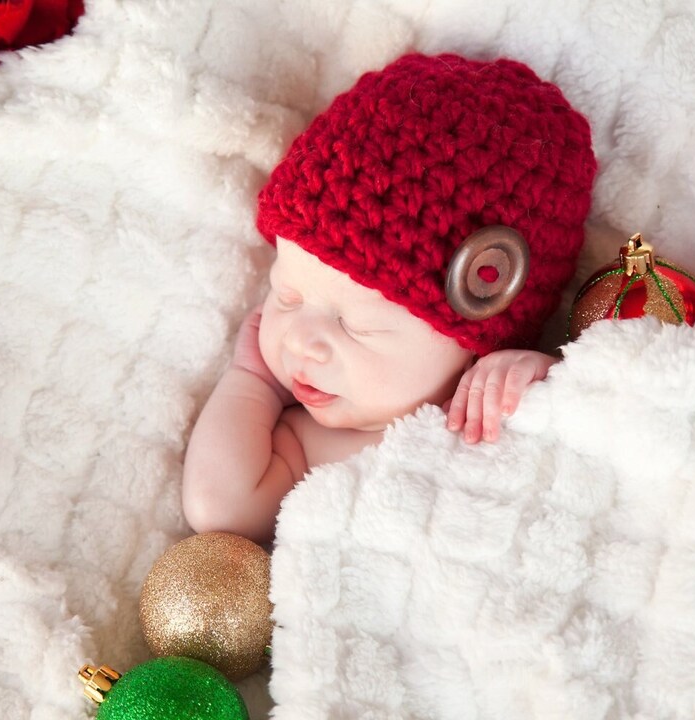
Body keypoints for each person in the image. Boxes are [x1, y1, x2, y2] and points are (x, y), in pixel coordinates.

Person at [183, 53, 596, 543]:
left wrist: (539, 375)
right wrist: (251, 382)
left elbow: (604, 424)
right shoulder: (313, 444)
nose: (299, 340)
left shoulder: (506, 403)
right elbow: (221, 509)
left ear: (477, 337)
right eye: (286, 295)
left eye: (355, 325)